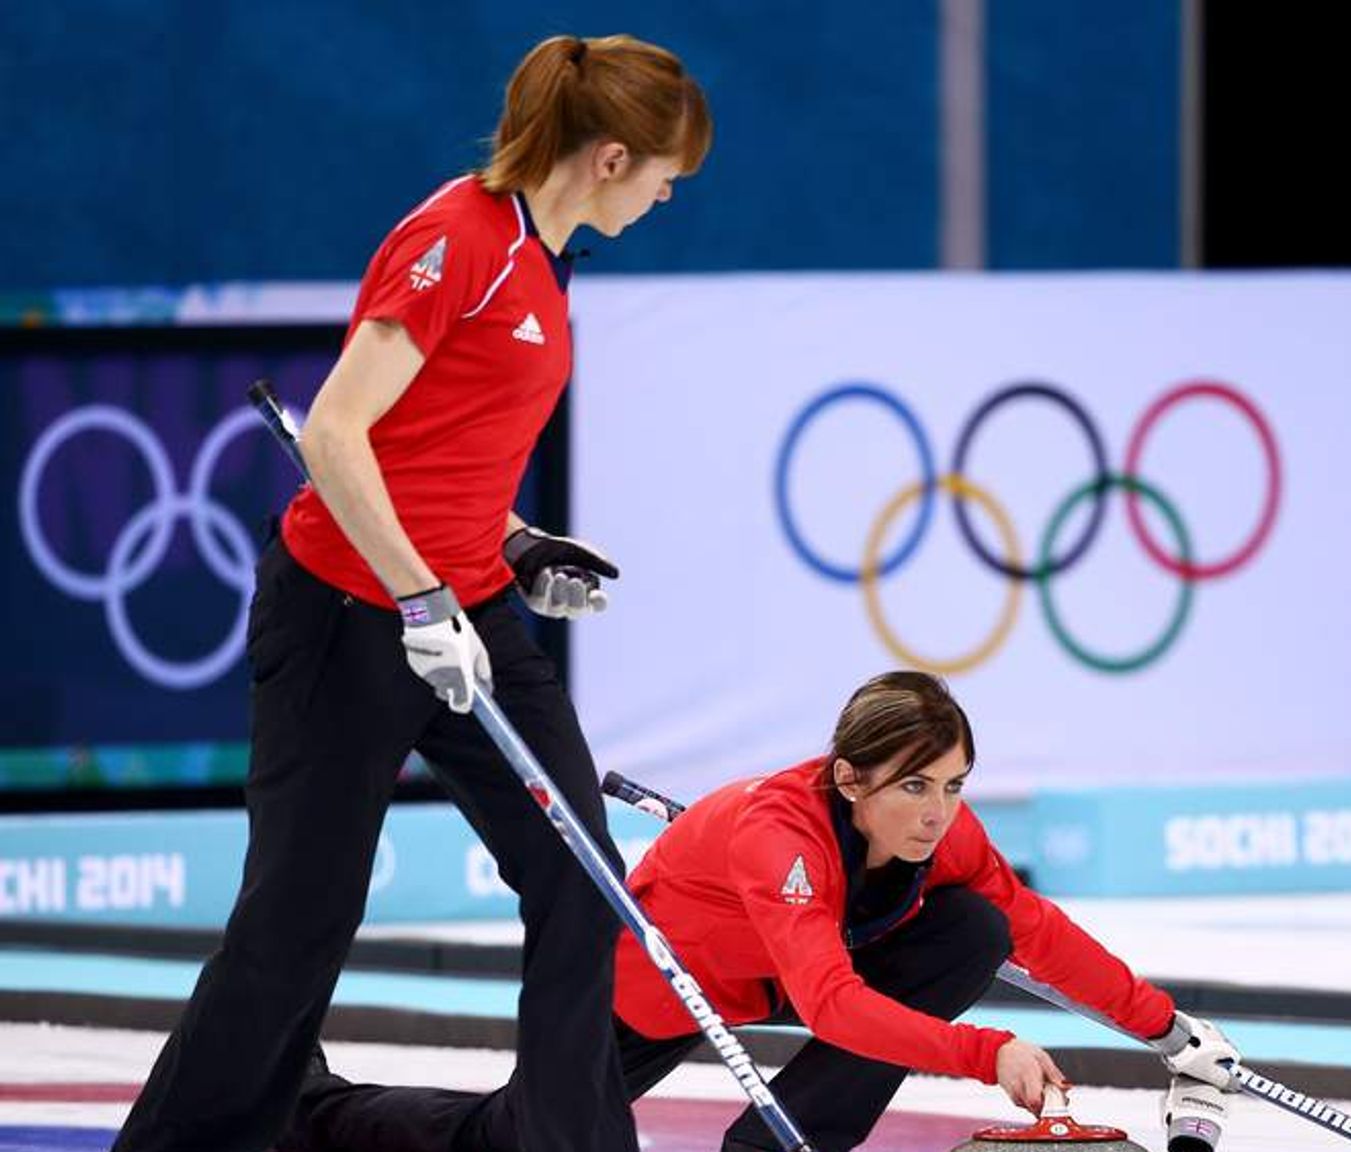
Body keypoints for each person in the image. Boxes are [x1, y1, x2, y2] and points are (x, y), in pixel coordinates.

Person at [111, 34, 712, 1152]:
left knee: (581, 882)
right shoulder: (457, 239)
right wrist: (421, 602)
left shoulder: (547, 257)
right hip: (348, 614)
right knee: (297, 925)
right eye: (670, 175)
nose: (672, 196)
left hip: (468, 609)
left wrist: (522, 546)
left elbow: (438, 451)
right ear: (613, 157)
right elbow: (338, 432)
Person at [280, 670, 1244, 1152]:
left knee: (978, 929)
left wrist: (1167, 1029)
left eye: (953, 785)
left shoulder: (940, 832)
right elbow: (831, 1005)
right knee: (510, 1143)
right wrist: (986, 1052)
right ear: (848, 778)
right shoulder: (776, 833)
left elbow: (1034, 930)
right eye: (915, 788)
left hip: (785, 967)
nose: (939, 812)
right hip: (661, 986)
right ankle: (310, 1108)